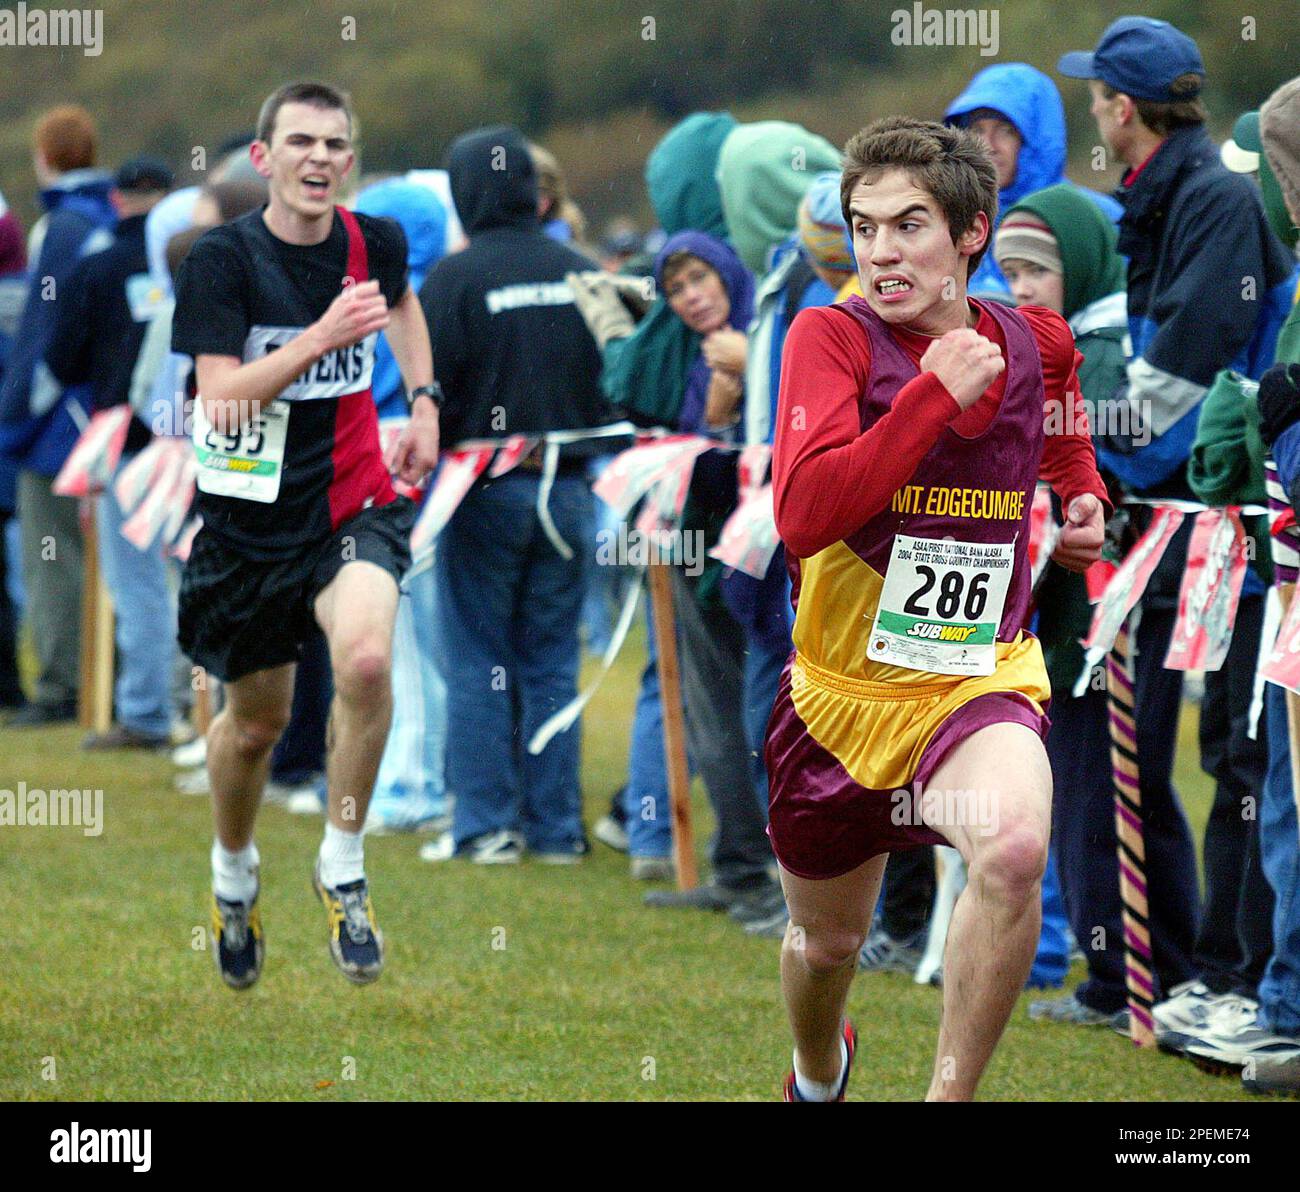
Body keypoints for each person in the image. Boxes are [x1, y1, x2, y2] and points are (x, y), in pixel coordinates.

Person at [767, 117, 1108, 1100]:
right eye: (862, 228)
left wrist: (1076, 483)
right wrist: (925, 399)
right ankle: (818, 1070)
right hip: (836, 701)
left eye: (907, 225)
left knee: (1009, 846)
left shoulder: (1025, 334)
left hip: (974, 677)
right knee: (827, 940)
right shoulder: (829, 338)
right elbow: (804, 513)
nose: (879, 252)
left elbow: (1058, 384)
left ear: (970, 233)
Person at [171, 81, 440, 989]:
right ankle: (234, 874)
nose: (321, 158)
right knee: (256, 725)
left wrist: (425, 401)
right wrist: (320, 337)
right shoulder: (221, 260)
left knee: (366, 662)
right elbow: (217, 398)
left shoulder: (376, 243)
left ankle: (344, 861)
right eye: (302, 143)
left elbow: (400, 305)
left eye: (336, 144)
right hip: (247, 526)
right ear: (265, 158)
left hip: (353, 499)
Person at [1058, 13, 1294, 1036]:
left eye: (1094, 96)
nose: (1091, 113)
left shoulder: (1211, 197)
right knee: (1201, 753)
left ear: (1118, 106)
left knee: (1244, 757)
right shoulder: (1161, 194)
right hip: (1177, 519)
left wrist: (1078, 447)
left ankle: (1250, 986)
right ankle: (1206, 969)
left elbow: (1173, 378)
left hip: (1226, 529)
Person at [416, 124, 610, 865]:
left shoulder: (452, 281)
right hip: (571, 491)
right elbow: (612, 380)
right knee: (552, 660)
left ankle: (487, 826)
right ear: (533, 188)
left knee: (478, 659)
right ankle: (558, 830)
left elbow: (431, 390)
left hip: (484, 494)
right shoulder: (580, 268)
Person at [45, 156, 177, 751]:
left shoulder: (96, 268)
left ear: (118, 200)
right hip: (198, 440)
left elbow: (63, 357)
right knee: (189, 576)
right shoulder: (200, 262)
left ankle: (147, 711)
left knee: (137, 581)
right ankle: (190, 705)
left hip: (127, 441)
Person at [0, 104, 116, 727]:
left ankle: (60, 684)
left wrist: (14, 419)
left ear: (44, 156)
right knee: (96, 560)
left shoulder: (59, 228)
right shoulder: (105, 216)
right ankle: (102, 678)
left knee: (50, 562)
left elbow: (47, 338)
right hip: (98, 414)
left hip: (55, 425)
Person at [944, 63, 1122, 299]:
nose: (988, 145)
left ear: (1036, 138)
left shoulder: (1095, 217)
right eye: (977, 130)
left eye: (1005, 130)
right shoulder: (948, 220)